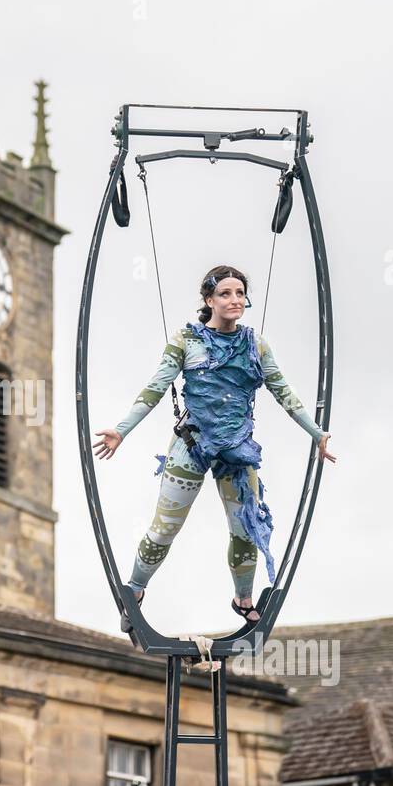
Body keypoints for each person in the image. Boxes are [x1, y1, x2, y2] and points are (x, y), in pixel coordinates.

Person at [92, 264, 336, 626]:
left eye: (239, 293)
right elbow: (156, 388)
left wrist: (316, 433)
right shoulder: (186, 340)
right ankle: (136, 589)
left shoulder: (255, 344)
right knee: (165, 528)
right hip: (192, 445)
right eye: (225, 293)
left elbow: (284, 392)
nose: (234, 300)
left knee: (246, 529)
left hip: (236, 451)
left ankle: (243, 598)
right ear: (209, 300)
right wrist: (121, 430)